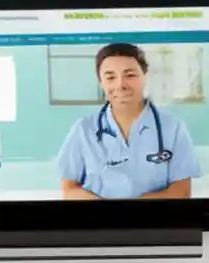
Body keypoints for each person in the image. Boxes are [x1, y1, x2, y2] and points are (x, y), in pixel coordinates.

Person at [56, 43, 201, 199]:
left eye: (130, 75)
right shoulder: (83, 130)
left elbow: (182, 192)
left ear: (145, 76)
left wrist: (131, 213)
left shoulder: (173, 128)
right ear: (101, 83)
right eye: (110, 77)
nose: (120, 85)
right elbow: (69, 190)